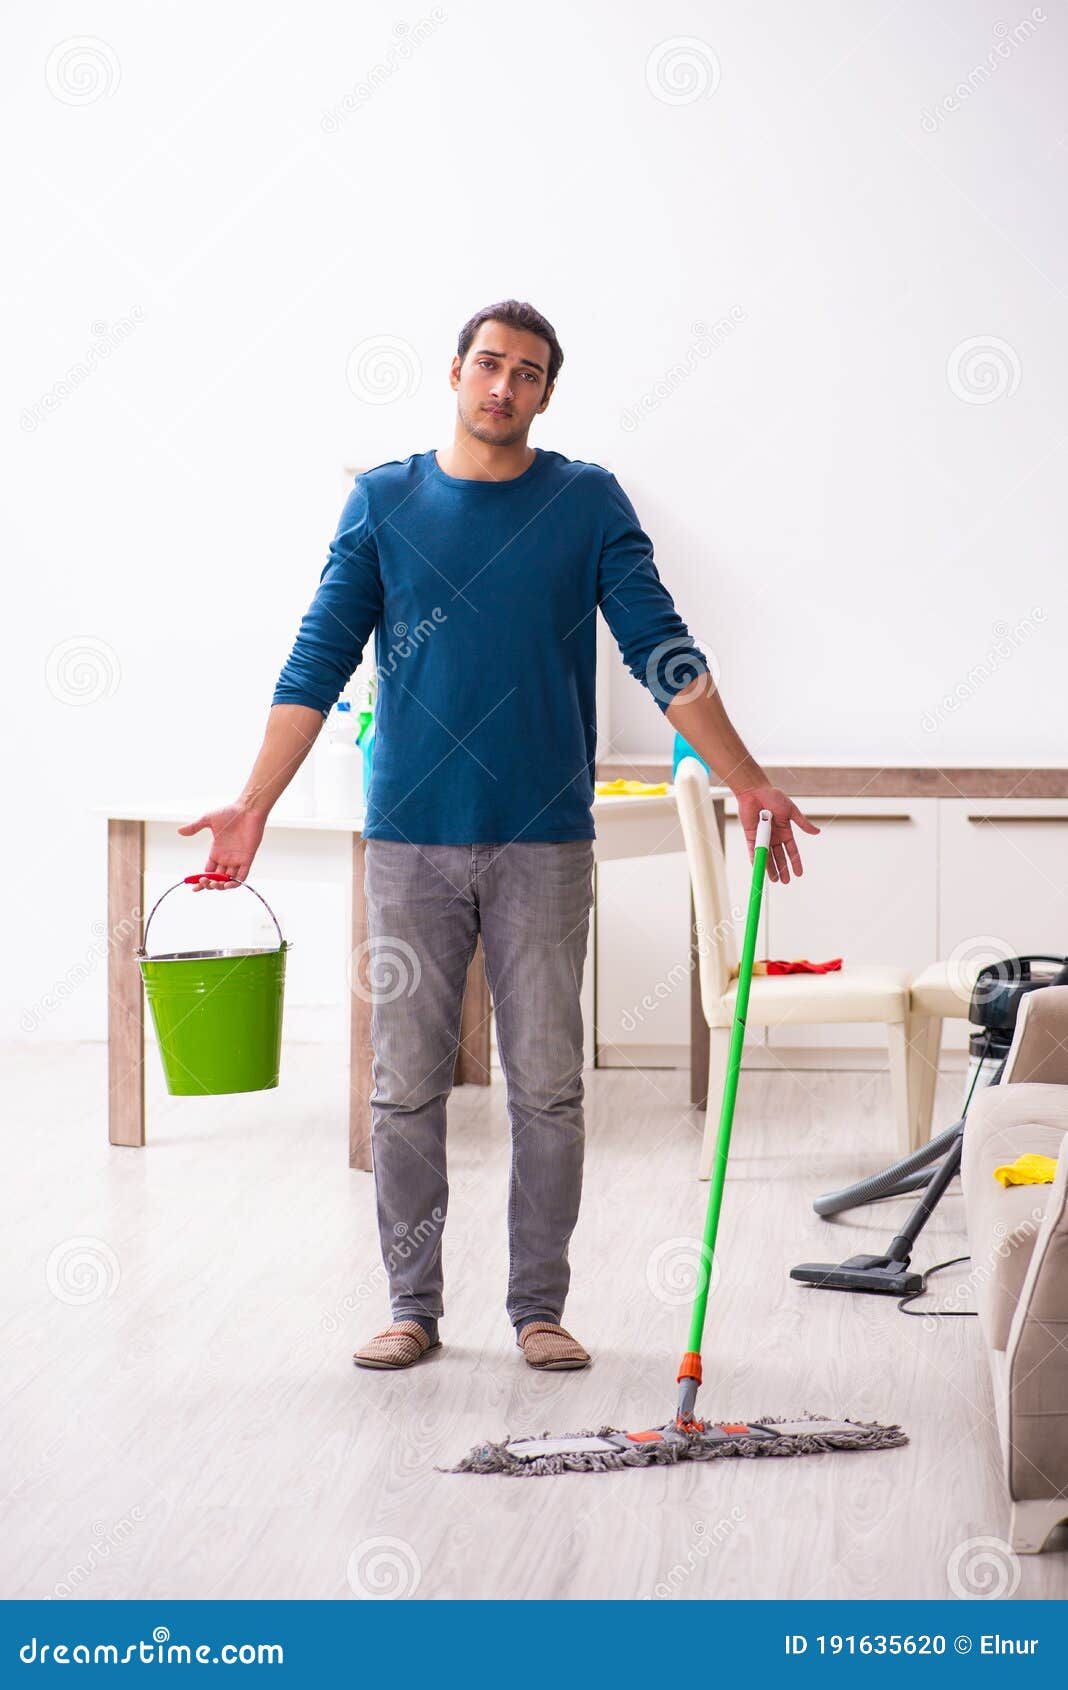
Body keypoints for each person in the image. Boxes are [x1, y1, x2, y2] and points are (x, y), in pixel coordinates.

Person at [178, 299, 820, 1374]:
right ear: (454, 372)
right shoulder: (385, 501)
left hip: (543, 843)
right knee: (404, 1088)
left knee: (548, 1089)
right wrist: (255, 802)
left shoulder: (586, 502)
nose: (503, 385)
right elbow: (317, 660)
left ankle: (537, 1309)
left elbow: (662, 650)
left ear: (546, 394)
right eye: (488, 364)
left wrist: (745, 777)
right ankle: (412, 1307)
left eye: (527, 372)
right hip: (411, 841)